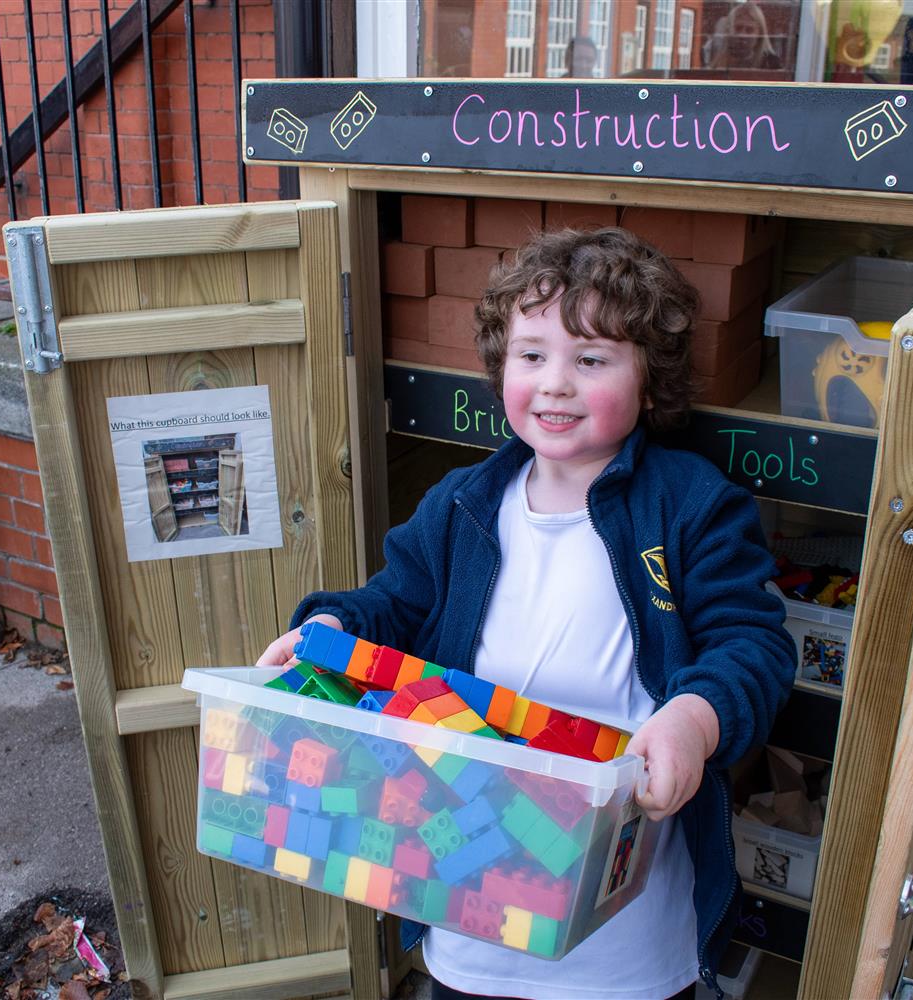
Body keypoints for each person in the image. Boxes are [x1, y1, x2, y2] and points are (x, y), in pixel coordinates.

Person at [257, 228, 795, 999]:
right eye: (532, 355)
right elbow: (392, 604)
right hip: (468, 900)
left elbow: (753, 643)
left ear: (649, 381)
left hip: (625, 932)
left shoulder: (692, 504)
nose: (556, 383)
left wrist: (694, 719)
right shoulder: (461, 504)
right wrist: (333, 629)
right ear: (500, 366)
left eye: (593, 358)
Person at [704, 2, 783, 72]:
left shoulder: (771, 64)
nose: (742, 35)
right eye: (738, 28)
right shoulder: (714, 59)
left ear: (759, 35)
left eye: (749, 30)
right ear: (728, 30)